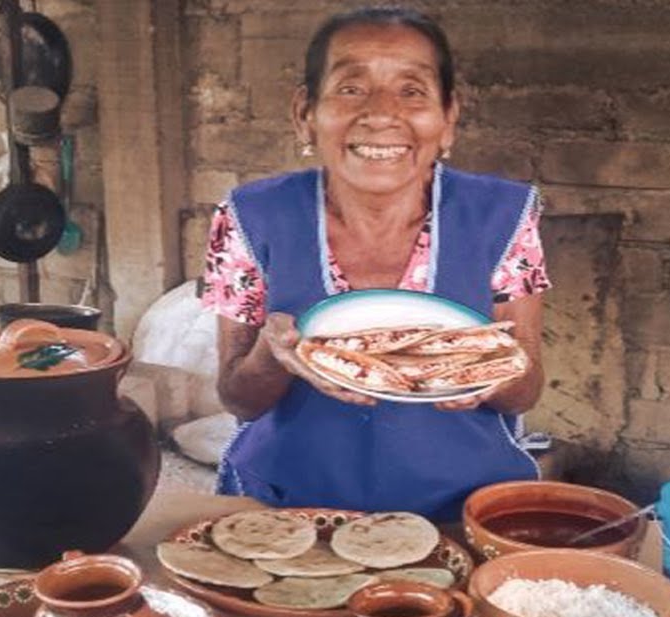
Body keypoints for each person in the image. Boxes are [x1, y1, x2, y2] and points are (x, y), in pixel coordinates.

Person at [200, 7, 551, 521]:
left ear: (448, 118)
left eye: (412, 91)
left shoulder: (503, 216)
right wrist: (272, 356)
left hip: (461, 511)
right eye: (350, 88)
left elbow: (525, 391)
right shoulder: (250, 217)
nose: (381, 113)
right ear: (305, 113)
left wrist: (486, 372)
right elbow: (239, 398)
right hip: (288, 511)